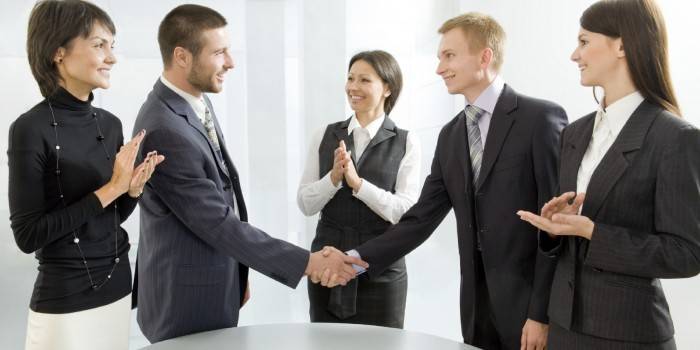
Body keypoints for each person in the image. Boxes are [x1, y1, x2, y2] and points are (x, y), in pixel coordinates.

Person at [132, 4, 367, 343]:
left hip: (208, 283)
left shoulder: (192, 102)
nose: (231, 62)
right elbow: (214, 221)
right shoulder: (165, 127)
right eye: (219, 52)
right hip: (184, 303)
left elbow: (219, 201)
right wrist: (308, 262)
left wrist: (236, 273)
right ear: (182, 57)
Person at [346, 12, 568, 350]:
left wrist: (542, 314)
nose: (439, 68)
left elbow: (557, 227)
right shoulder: (450, 136)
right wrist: (355, 259)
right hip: (477, 310)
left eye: (449, 56)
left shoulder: (540, 119)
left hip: (529, 311)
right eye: (439, 58)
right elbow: (420, 219)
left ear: (485, 56)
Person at [516, 0, 700, 348]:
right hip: (564, 329)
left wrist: (593, 232)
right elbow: (568, 240)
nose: (574, 54)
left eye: (584, 41)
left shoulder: (675, 137)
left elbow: (686, 254)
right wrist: (557, 229)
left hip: (628, 336)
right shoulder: (575, 133)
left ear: (622, 45)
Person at [8, 1, 162, 349]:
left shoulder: (110, 125)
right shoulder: (29, 129)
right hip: (64, 301)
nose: (112, 57)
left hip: (118, 287)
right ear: (58, 52)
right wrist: (113, 188)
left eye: (112, 46)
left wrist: (131, 192)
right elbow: (28, 235)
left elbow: (109, 219)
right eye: (99, 45)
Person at [298, 50, 420, 328]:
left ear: (388, 87)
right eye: (351, 78)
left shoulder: (407, 142)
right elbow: (305, 204)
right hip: (327, 268)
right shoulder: (324, 134)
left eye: (364, 80)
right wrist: (333, 178)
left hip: (381, 271)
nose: (353, 87)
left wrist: (358, 184)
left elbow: (404, 212)